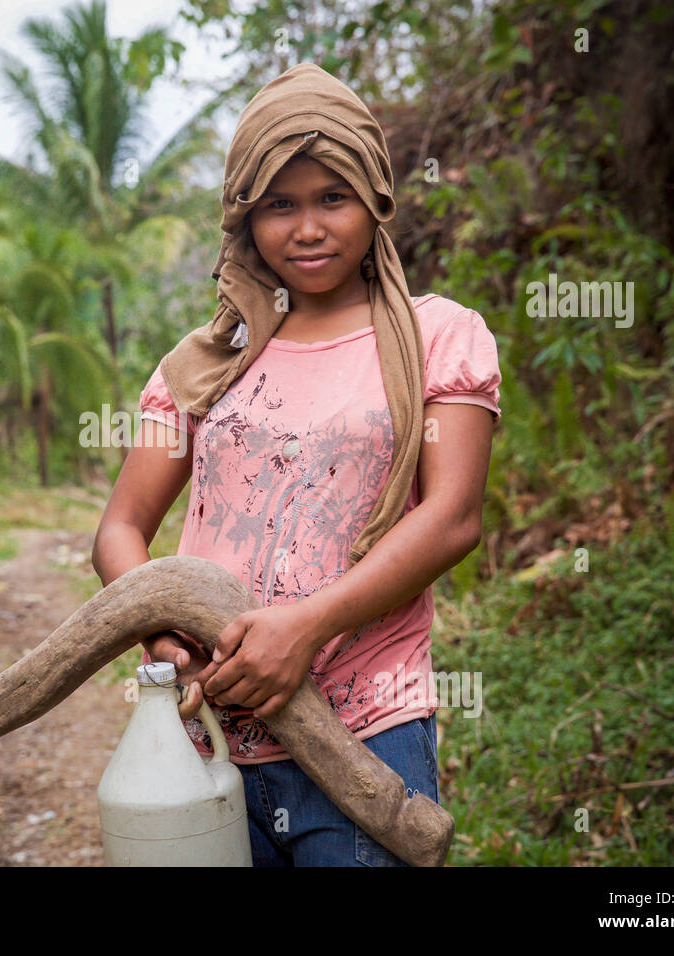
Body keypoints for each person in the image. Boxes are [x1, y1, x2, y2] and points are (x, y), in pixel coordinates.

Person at [91, 62, 501, 867]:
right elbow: (121, 528)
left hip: (363, 737)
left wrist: (305, 628)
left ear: (374, 202)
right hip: (204, 737)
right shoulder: (205, 364)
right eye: (280, 204)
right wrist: (163, 636)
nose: (307, 228)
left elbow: (451, 518)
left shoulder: (437, 339)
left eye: (331, 198)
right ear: (246, 218)